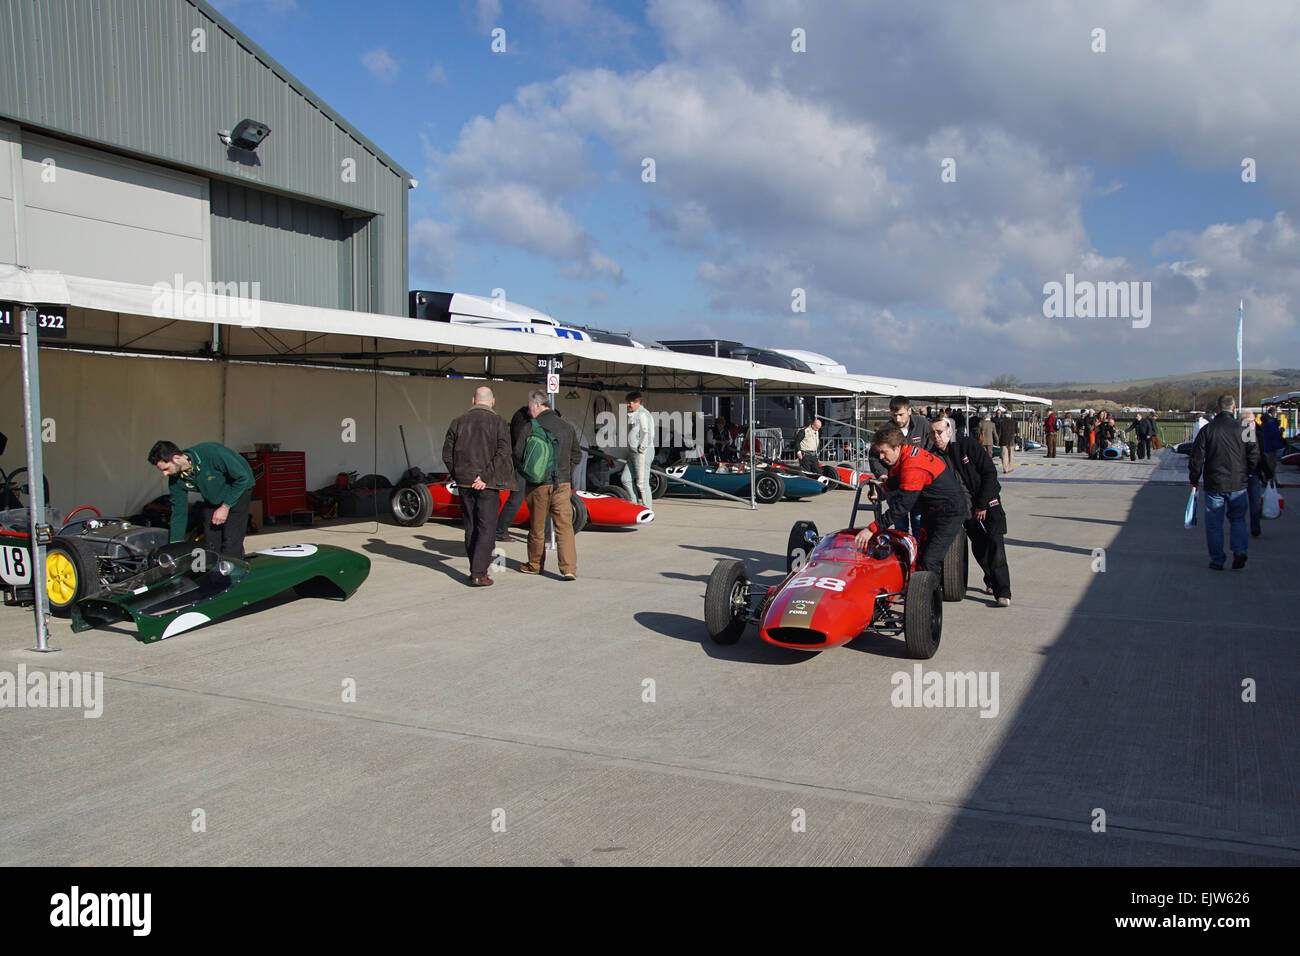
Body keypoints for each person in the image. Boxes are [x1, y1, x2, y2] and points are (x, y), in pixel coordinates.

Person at [854, 425, 969, 576]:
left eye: (884, 452)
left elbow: (903, 506)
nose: (881, 457)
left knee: (929, 561)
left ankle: (929, 597)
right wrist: (883, 487)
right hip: (932, 509)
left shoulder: (912, 466)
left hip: (950, 512)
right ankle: (914, 585)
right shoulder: (907, 454)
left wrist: (872, 529)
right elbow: (898, 479)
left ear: (897, 447)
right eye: (879, 452)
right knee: (918, 554)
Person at [930, 417, 1011, 606]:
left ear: (950, 432)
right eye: (932, 433)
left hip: (988, 505)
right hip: (965, 512)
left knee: (996, 547)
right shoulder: (934, 456)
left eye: (939, 432)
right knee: (980, 548)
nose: (936, 436)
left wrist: (983, 504)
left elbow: (990, 473)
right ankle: (990, 578)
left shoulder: (968, 446)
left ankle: (1003, 592)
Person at [442, 386, 515, 587]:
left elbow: (447, 455)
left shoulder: (457, 422)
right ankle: (479, 573)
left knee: (471, 526)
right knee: (486, 528)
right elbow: (504, 452)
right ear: (492, 401)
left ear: (473, 400)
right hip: (488, 485)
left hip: (464, 482)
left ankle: (475, 568)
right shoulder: (499, 422)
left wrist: (460, 475)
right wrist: (484, 476)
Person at [515, 390, 582, 580]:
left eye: (530, 407)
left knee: (537, 526)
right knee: (564, 526)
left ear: (537, 405)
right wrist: (565, 470)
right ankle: (569, 569)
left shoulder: (531, 426)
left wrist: (527, 472)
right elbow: (577, 454)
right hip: (562, 483)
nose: (529, 412)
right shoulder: (567, 427)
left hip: (538, 484)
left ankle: (535, 565)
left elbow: (518, 453)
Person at [148, 439, 255, 558]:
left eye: (166, 469)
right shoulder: (175, 480)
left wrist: (226, 507)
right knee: (211, 542)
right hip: (213, 496)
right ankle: (214, 572)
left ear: (176, 458)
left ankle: (233, 568)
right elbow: (179, 513)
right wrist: (174, 548)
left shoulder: (212, 453)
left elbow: (242, 477)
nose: (164, 474)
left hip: (238, 488)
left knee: (231, 541)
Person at [1188, 394, 1258, 571]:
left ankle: (1217, 559)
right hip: (1238, 482)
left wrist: (1194, 479)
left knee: (1214, 524)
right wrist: (1248, 472)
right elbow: (1254, 453)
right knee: (1238, 519)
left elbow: (1197, 457)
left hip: (1215, 481)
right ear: (1234, 409)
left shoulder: (1207, 430)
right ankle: (1240, 550)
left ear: (1217, 409)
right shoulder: (1245, 427)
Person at [495, 402, 535, 541]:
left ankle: (547, 532)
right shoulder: (522, 418)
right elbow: (520, 442)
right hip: (523, 464)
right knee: (517, 499)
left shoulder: (524, 417)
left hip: (527, 464)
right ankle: (500, 530)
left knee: (536, 498)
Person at [621, 391, 656, 510]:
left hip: (641, 453)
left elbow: (647, 432)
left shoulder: (643, 414)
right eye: (627, 402)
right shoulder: (636, 414)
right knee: (625, 479)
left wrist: (641, 448)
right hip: (633, 453)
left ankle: (648, 509)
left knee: (642, 483)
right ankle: (634, 504)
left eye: (630, 402)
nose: (628, 404)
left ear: (638, 402)